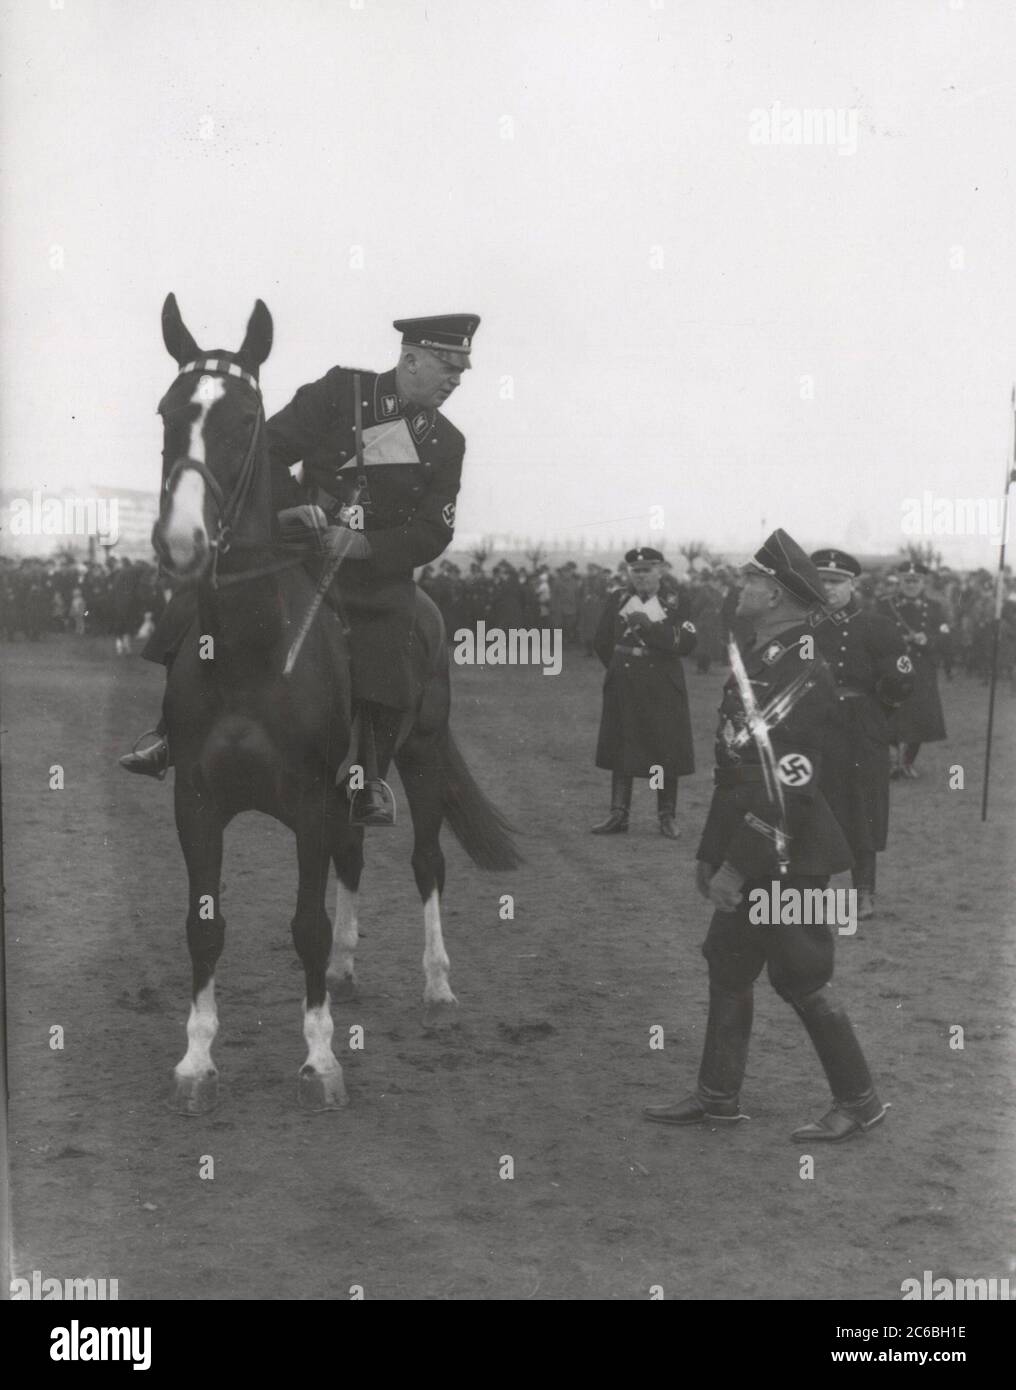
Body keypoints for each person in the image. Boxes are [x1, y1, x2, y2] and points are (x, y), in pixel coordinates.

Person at [120, 312, 480, 829]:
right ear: (410, 359)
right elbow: (264, 448)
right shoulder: (341, 391)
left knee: (395, 628)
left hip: (373, 575)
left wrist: (363, 545)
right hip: (294, 549)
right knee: (208, 589)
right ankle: (167, 733)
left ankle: (369, 776)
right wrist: (298, 511)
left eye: (460, 372)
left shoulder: (448, 442)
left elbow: (433, 532)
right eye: (448, 367)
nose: (455, 380)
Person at [643, 529, 887, 1141]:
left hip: (789, 851)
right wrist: (711, 851)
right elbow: (736, 772)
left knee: (802, 976)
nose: (741, 587)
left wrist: (735, 865)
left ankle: (859, 1102)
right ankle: (717, 1096)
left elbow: (789, 786)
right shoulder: (766, 657)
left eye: (752, 579)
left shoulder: (801, 668)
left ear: (776, 595)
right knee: (727, 964)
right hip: (753, 843)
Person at [809, 549, 913, 920]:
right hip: (816, 724)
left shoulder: (876, 625)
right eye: (822, 580)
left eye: (836, 581)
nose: (829, 588)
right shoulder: (804, 626)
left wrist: (874, 712)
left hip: (861, 726)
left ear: (852, 584)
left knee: (863, 807)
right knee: (815, 804)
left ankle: (864, 893)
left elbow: (901, 680)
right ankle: (814, 890)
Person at [590, 547, 696, 839]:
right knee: (622, 745)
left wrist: (650, 630)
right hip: (624, 681)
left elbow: (686, 642)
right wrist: (619, 669)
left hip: (661, 683)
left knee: (663, 749)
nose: (640, 576)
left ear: (660, 570)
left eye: (647, 570)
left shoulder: (676, 601)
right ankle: (618, 813)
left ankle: (666, 815)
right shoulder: (618, 599)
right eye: (635, 570)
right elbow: (601, 641)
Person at [877, 560, 948, 778]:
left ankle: (907, 762)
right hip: (892, 667)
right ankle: (891, 761)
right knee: (889, 714)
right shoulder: (884, 605)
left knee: (920, 716)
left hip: (921, 669)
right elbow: (873, 634)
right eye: (907, 580)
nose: (911, 585)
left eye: (915, 580)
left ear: (923, 582)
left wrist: (927, 639)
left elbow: (946, 638)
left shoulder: (935, 608)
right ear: (899, 581)